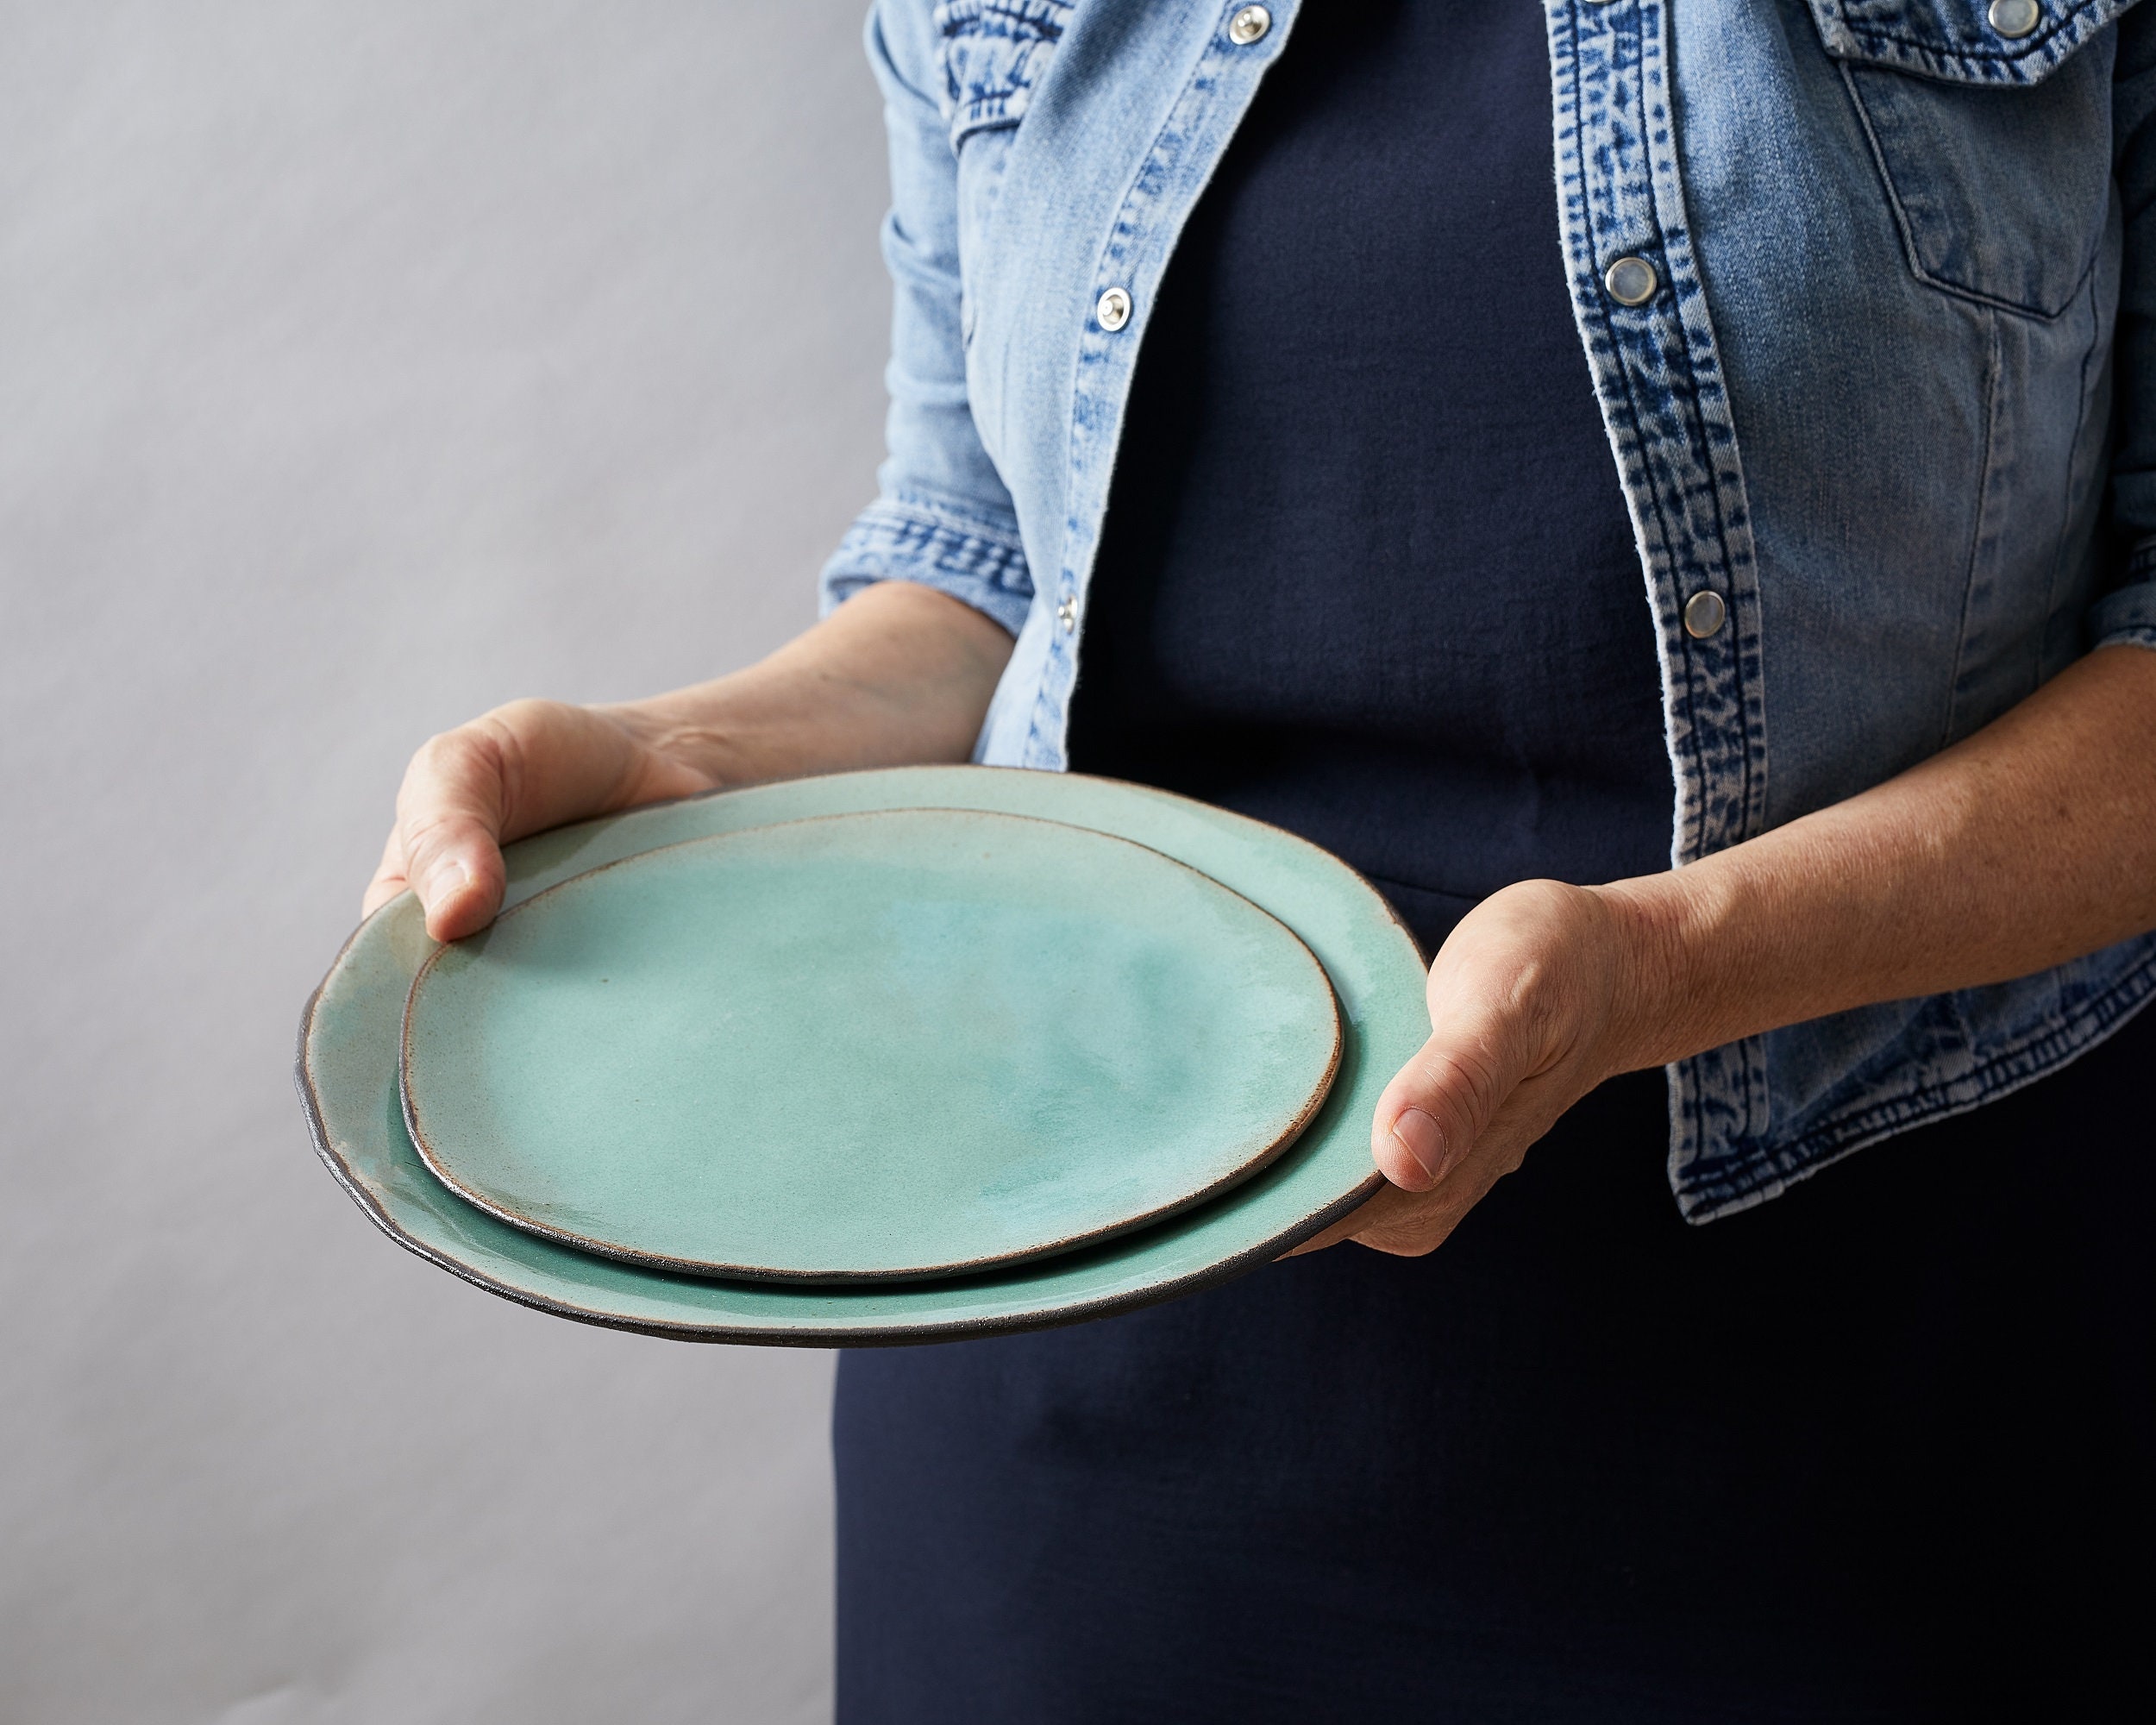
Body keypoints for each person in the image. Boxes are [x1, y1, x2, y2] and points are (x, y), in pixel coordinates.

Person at [364, 0, 2156, 1715]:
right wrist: (685, 759)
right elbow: (985, 562)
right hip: (1073, 1419)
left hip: (1860, 1417)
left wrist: (1667, 967)